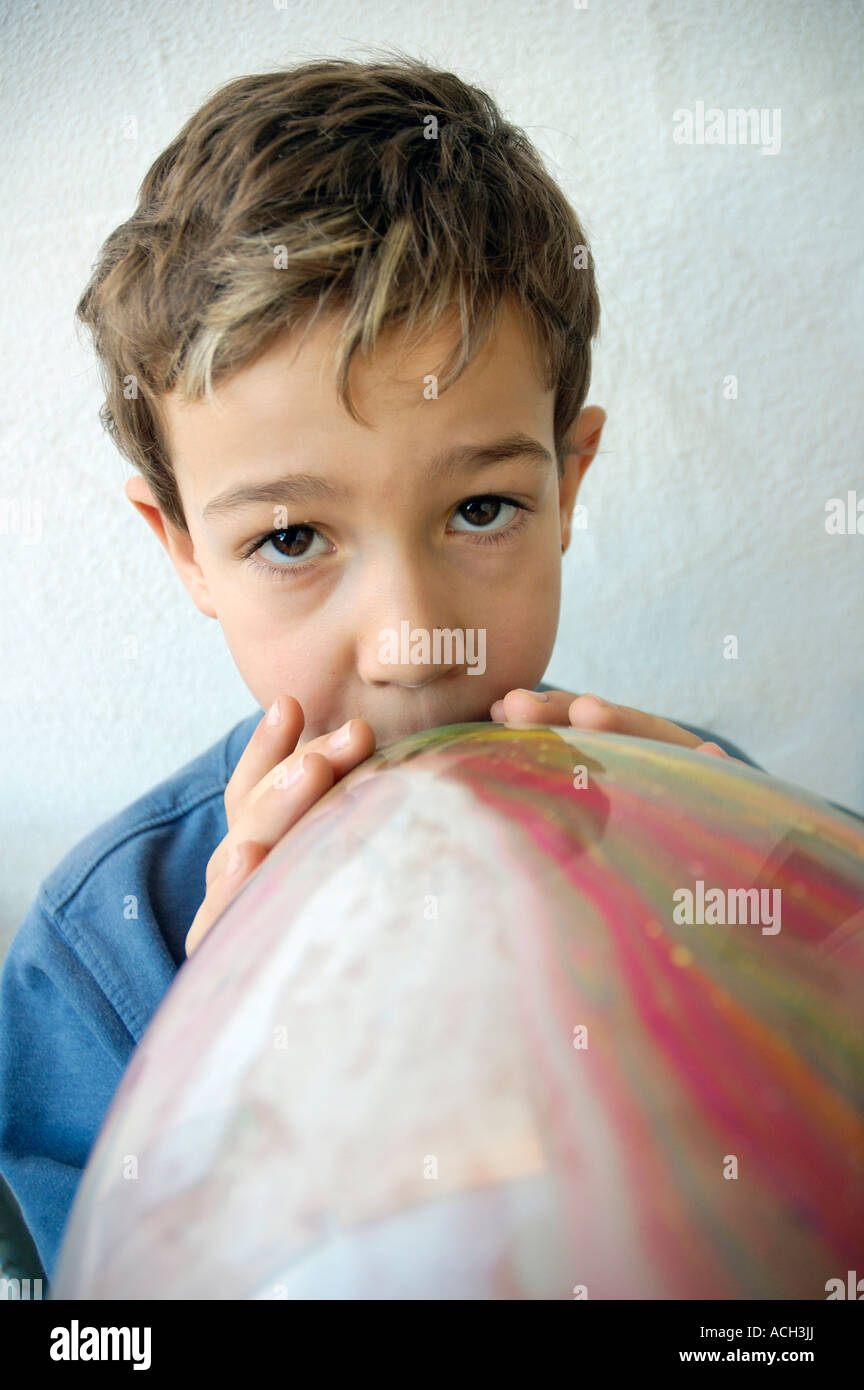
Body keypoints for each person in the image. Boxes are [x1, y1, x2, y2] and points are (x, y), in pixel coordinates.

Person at [0, 56, 772, 1287]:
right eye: (292, 538)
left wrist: (755, 941)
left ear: (567, 486)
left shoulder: (710, 817)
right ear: (186, 550)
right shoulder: (102, 957)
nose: (414, 642)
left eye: (480, 507)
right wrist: (227, 1069)